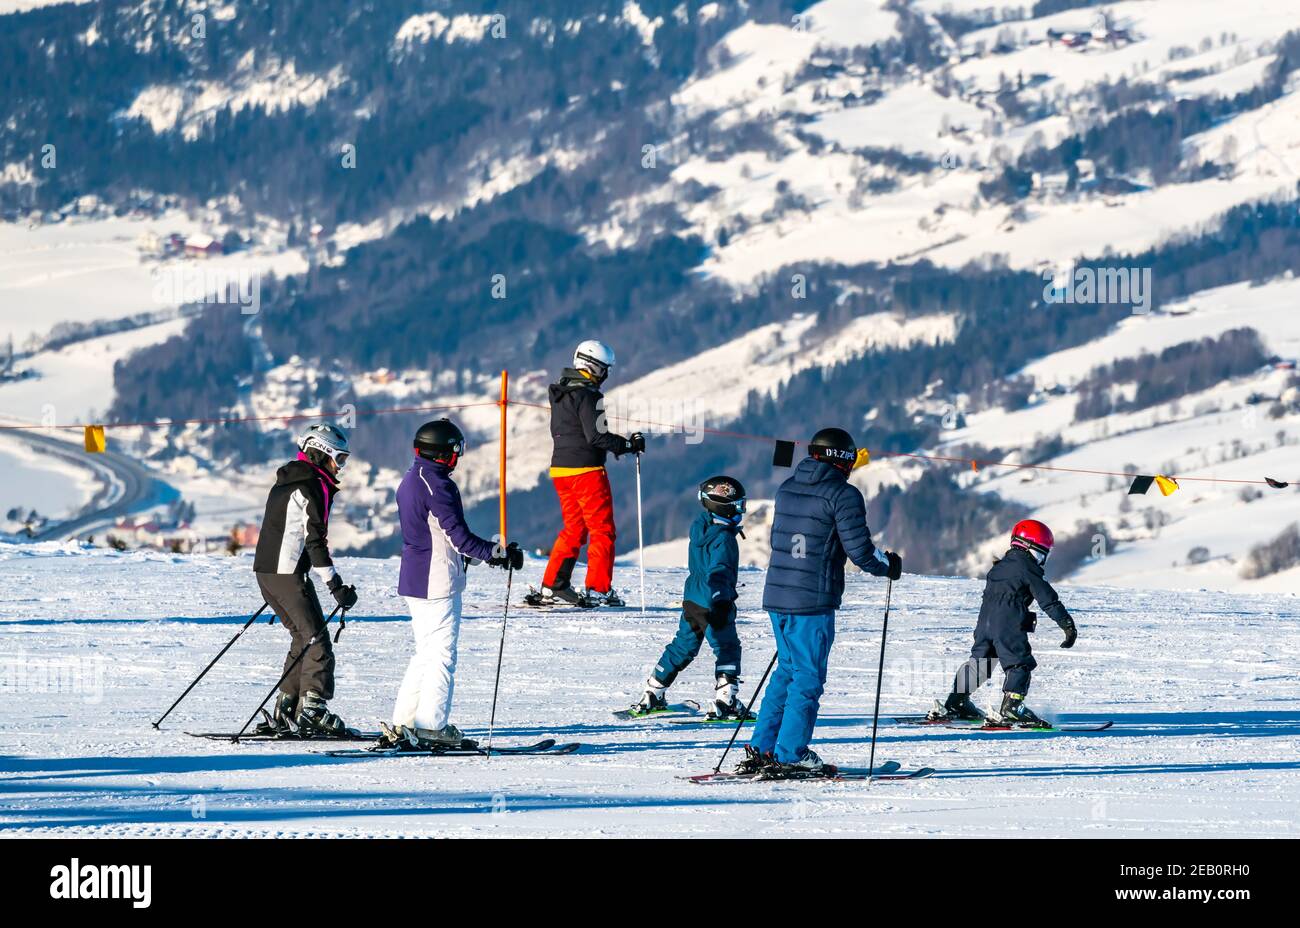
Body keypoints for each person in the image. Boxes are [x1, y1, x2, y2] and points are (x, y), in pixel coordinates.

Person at [738, 427, 902, 778]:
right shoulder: (842, 495)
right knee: (807, 678)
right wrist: (887, 566)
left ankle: (763, 747)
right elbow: (860, 551)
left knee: (786, 671)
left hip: (778, 595)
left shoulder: (788, 488)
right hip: (811, 600)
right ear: (843, 459)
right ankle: (790, 753)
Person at [380, 418, 523, 750]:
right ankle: (431, 725)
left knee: (426, 654)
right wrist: (495, 553)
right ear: (443, 453)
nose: (458, 456)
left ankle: (405, 721)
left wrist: (483, 553)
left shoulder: (411, 479)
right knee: (442, 654)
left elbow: (440, 536)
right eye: (456, 449)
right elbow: (457, 538)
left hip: (417, 578)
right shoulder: (437, 486)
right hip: (436, 580)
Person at [252, 423, 358, 737]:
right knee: (318, 641)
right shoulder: (314, 486)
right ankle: (313, 710)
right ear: (321, 452)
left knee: (302, 637)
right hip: (288, 575)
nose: (341, 466)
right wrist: (335, 586)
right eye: (339, 458)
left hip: (267, 574)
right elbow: (316, 543)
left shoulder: (288, 480)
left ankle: (287, 708)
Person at [526, 339, 644, 609]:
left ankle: (553, 585)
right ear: (592, 367)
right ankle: (598, 589)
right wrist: (628, 445)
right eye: (604, 369)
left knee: (574, 529)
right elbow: (597, 436)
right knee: (603, 530)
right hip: (586, 472)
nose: (605, 375)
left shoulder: (562, 393)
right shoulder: (590, 396)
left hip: (561, 470)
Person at [928, 519, 1077, 728]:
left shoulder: (999, 567)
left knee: (980, 664)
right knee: (1019, 663)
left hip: (984, 624)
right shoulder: (1027, 567)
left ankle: (956, 702)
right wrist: (1067, 625)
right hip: (1007, 626)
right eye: (1043, 552)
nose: (1043, 558)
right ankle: (1012, 707)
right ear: (1032, 548)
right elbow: (1047, 598)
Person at [630, 475, 754, 721]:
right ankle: (725, 700)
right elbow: (718, 572)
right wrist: (720, 600)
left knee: (683, 645)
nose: (741, 510)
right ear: (725, 506)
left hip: (692, 599)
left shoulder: (701, 527)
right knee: (727, 647)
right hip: (713, 600)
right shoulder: (725, 539)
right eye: (737, 505)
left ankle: (653, 692)